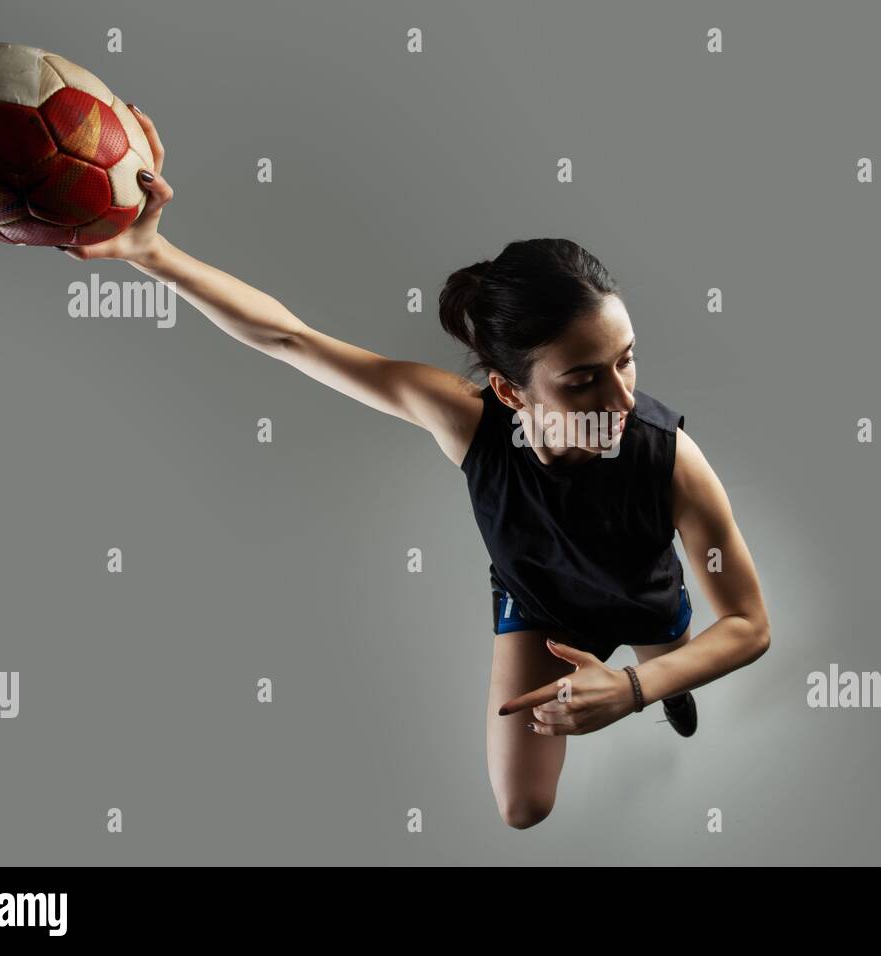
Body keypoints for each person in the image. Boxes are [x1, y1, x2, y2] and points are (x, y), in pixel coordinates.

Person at [62, 106, 772, 829]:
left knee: (673, 672)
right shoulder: (467, 420)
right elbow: (291, 339)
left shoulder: (667, 454)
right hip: (541, 605)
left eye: (627, 361)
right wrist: (151, 255)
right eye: (584, 379)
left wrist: (634, 687)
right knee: (523, 808)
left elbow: (748, 623)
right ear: (508, 390)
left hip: (642, 598)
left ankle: (664, 689)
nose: (622, 397)